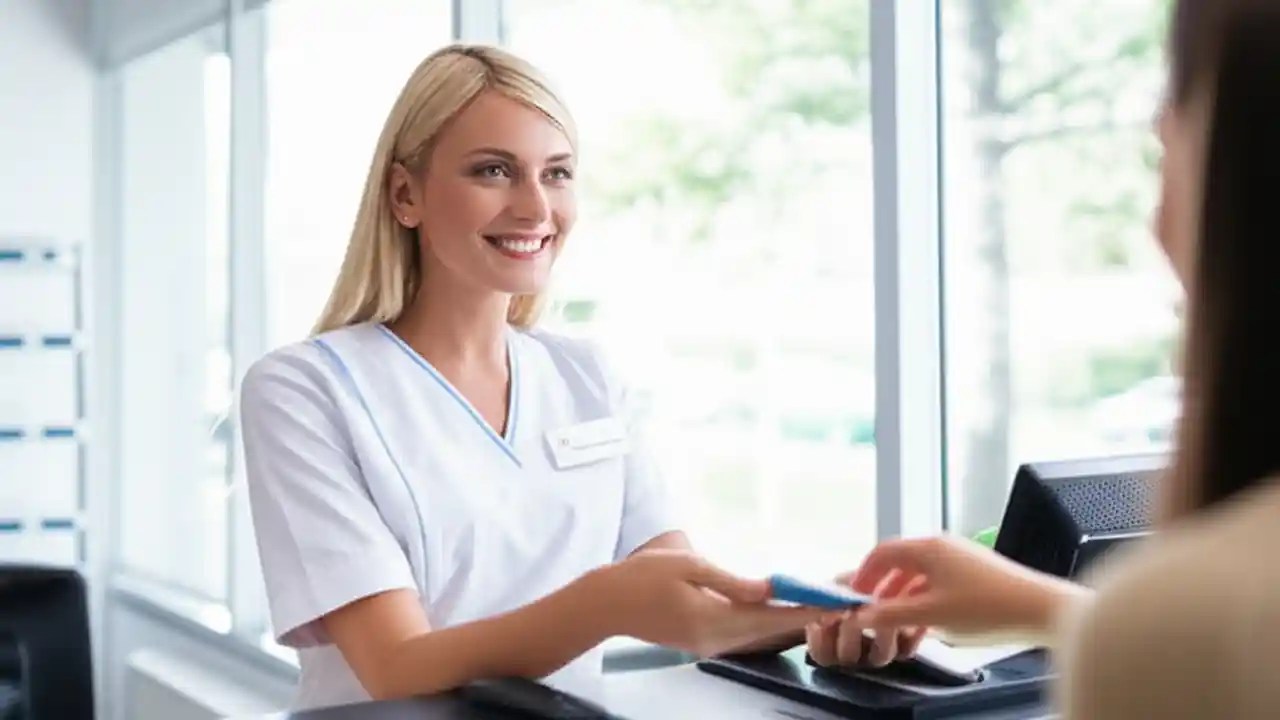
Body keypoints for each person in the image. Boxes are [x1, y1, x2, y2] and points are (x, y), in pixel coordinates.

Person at [238, 45, 826, 711]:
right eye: (494, 171)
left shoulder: (586, 376)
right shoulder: (303, 391)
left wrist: (835, 617)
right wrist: (606, 603)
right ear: (406, 194)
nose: (535, 207)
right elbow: (396, 668)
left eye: (557, 173)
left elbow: (695, 605)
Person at [810, 0, 1280, 716]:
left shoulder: (1202, 618)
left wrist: (1126, 629)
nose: (1153, 225)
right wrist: (1044, 606)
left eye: (1164, 150)